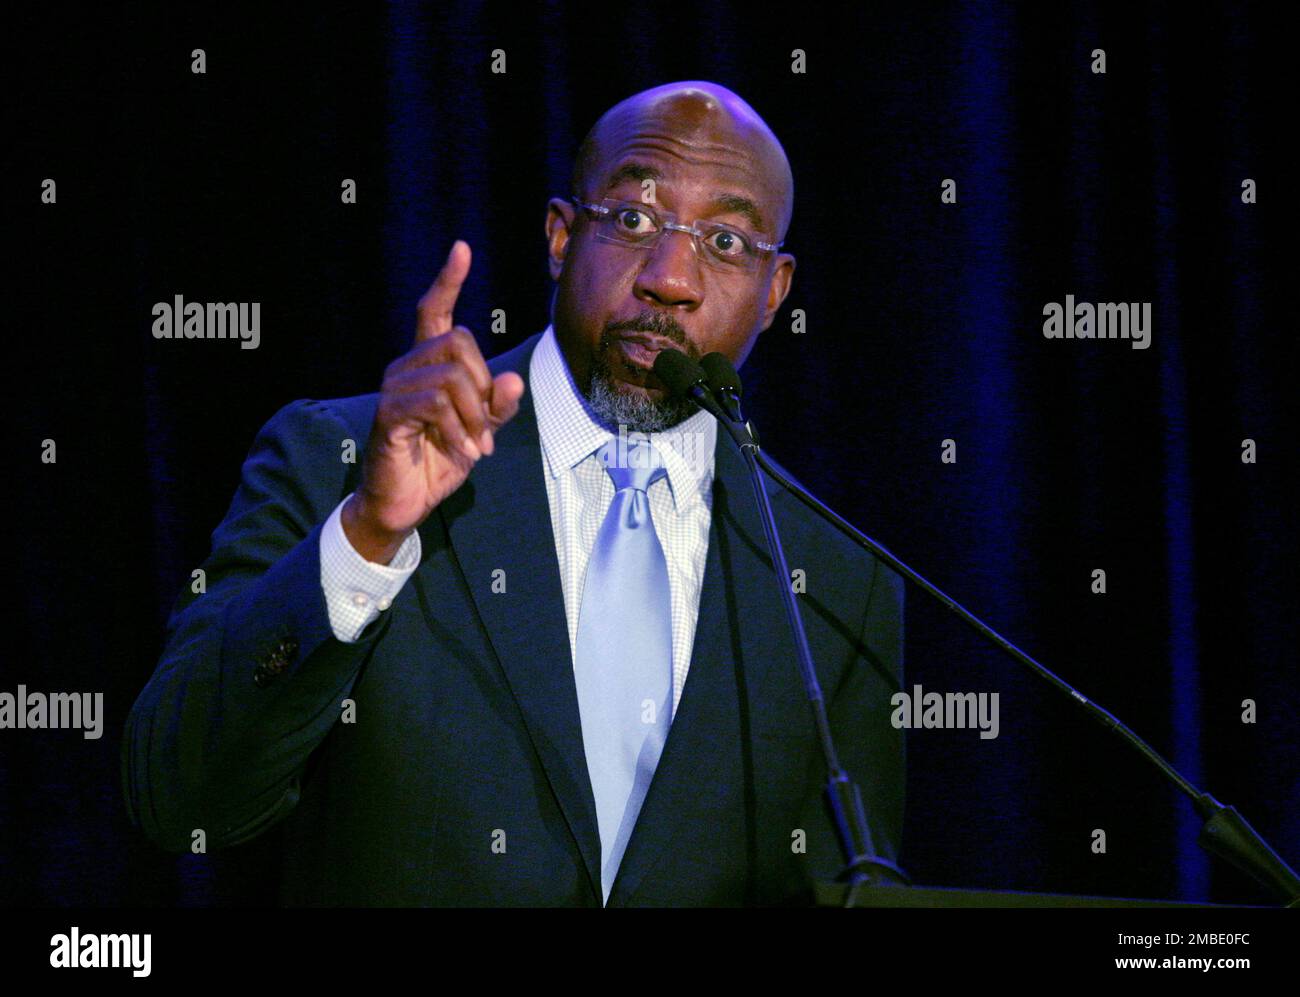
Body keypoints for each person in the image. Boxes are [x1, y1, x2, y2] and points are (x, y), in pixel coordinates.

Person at [122, 80, 905, 906]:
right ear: (561, 237)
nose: (671, 278)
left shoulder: (836, 581)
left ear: (774, 291)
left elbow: (853, 887)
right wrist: (365, 537)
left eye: (724, 240)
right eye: (634, 219)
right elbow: (177, 798)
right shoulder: (341, 458)